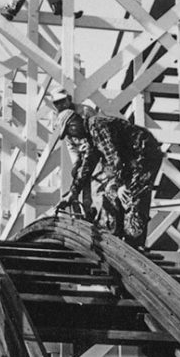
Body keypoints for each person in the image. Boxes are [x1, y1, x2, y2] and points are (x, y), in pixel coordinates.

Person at [51, 90, 163, 249]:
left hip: (144, 155)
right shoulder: (90, 137)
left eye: (70, 131)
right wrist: (73, 193)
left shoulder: (96, 125)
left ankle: (135, 245)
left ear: (73, 124)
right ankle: (112, 239)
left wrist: (121, 184)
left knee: (131, 195)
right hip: (129, 161)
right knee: (110, 194)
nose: (72, 137)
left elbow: (114, 157)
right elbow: (87, 166)